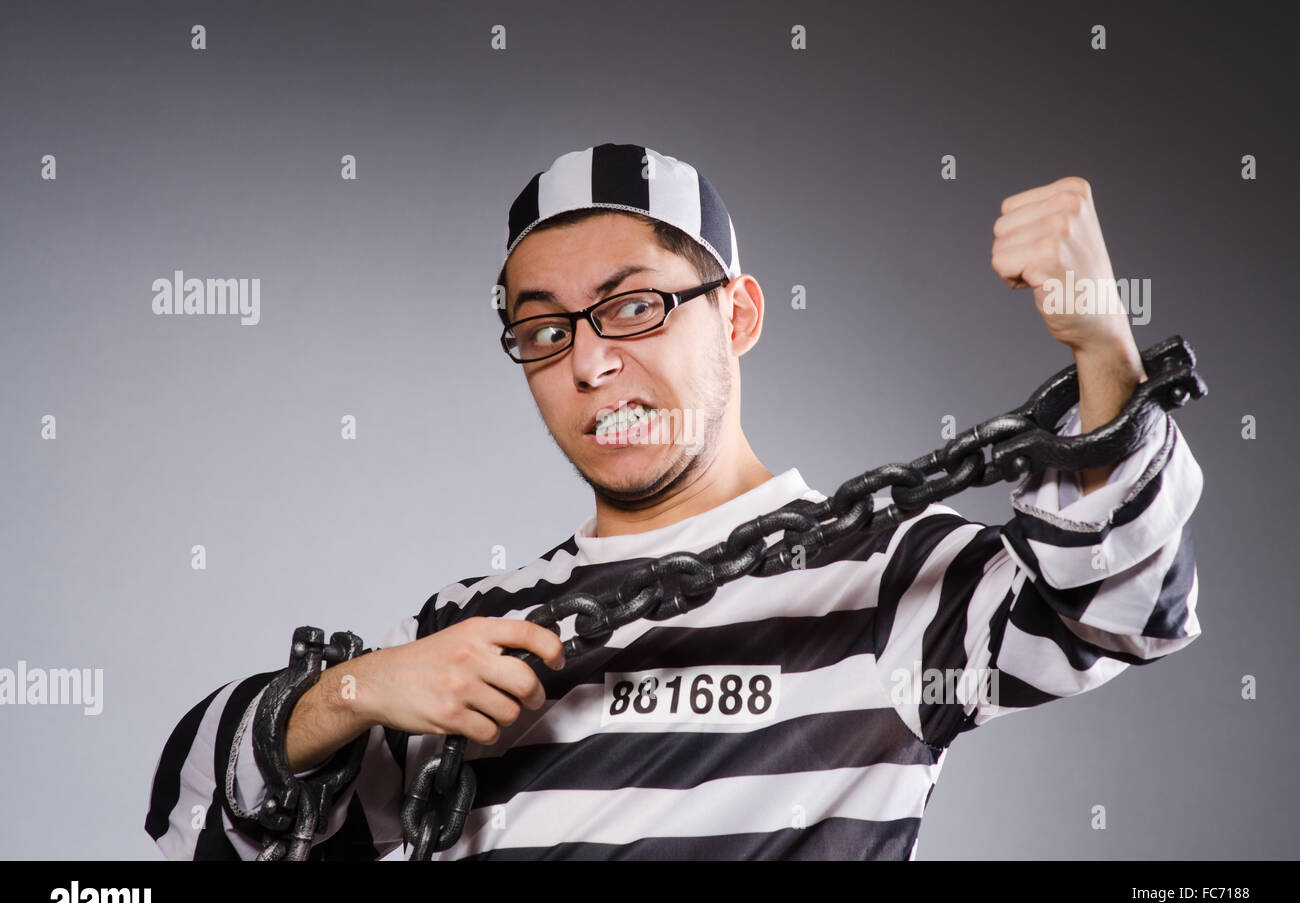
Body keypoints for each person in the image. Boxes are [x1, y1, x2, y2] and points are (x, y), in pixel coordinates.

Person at [146, 142, 1203, 860]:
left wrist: (1100, 346)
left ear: (737, 314)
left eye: (636, 306)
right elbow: (198, 829)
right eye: (545, 328)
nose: (591, 363)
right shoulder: (462, 634)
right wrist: (353, 694)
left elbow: (1120, 611)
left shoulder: (891, 580)